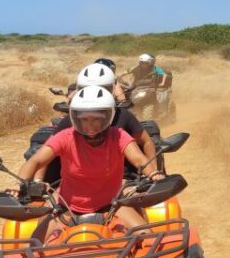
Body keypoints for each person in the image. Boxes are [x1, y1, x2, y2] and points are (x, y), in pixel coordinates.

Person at [9, 86, 166, 240]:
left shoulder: (118, 135)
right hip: (66, 208)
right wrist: (20, 183)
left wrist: (153, 173)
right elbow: (36, 160)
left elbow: (139, 159)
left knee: (149, 239)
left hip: (113, 204)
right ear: (76, 118)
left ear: (107, 117)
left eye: (96, 119)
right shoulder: (65, 136)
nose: (90, 125)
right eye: (84, 119)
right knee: (30, 250)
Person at [29, 63, 159, 183]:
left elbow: (146, 143)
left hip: (121, 180)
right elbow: (44, 154)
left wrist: (153, 172)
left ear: (113, 88)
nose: (95, 93)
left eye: (103, 88)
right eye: (86, 88)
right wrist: (38, 181)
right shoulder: (71, 121)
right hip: (78, 181)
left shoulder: (124, 118)